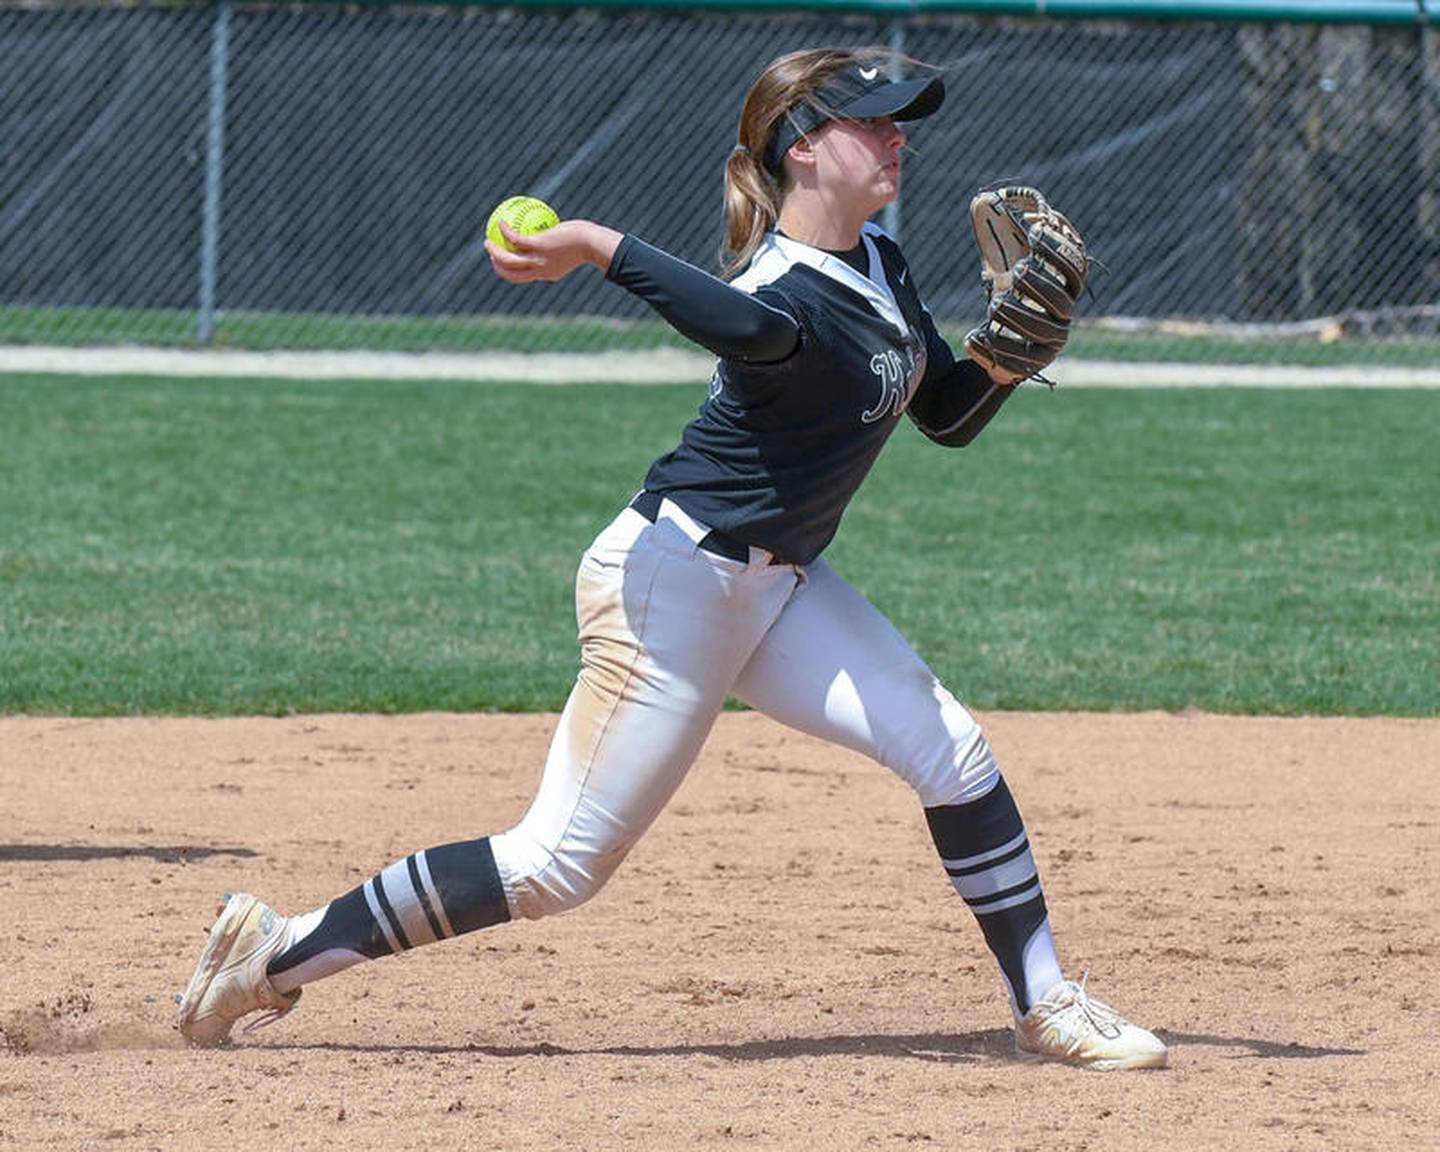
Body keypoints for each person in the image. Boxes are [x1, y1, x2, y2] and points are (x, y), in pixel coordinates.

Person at [177, 46, 1167, 1071]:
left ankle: (1045, 1000)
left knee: (952, 754)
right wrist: (597, 244)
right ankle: (275, 952)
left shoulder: (881, 263)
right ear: (803, 151)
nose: (896, 138)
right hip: (672, 586)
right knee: (555, 867)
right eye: (873, 123)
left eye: (898, 123)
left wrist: (1004, 364)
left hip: (780, 586)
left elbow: (947, 419)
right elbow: (736, 321)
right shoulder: (784, 290)